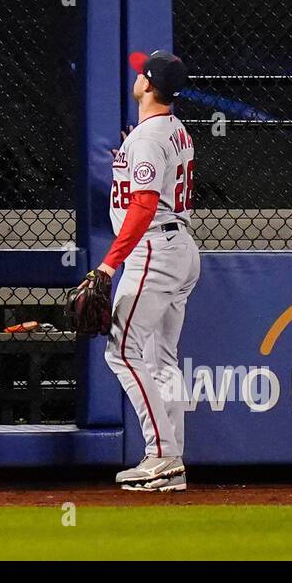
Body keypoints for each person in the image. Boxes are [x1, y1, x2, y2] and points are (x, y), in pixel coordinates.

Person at [94, 49, 199, 492]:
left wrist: (107, 264)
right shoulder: (171, 129)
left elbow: (143, 204)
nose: (136, 75)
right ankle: (171, 463)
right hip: (180, 248)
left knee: (122, 352)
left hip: (153, 248)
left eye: (142, 71)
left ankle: (159, 455)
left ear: (149, 86)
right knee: (160, 359)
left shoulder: (148, 138)